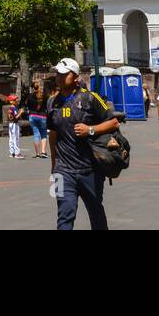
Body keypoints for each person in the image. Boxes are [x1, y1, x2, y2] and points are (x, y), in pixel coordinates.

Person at [47, 57, 117, 230]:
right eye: (57, 74)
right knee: (64, 216)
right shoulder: (51, 103)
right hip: (63, 172)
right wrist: (54, 165)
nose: (59, 77)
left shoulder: (90, 98)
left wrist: (90, 130)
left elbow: (113, 122)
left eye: (64, 74)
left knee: (96, 213)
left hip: (90, 170)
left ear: (76, 76)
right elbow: (53, 135)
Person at [25, 82, 48, 159]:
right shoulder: (44, 96)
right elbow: (47, 106)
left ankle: (37, 153)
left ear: (32, 88)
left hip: (32, 115)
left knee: (36, 134)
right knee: (44, 134)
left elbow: (27, 105)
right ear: (40, 87)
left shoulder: (30, 96)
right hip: (42, 116)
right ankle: (43, 152)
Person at [6, 94, 26, 160]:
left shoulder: (10, 108)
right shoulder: (14, 108)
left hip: (11, 124)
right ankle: (17, 153)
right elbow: (16, 117)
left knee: (11, 138)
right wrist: (21, 112)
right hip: (14, 124)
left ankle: (12, 153)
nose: (16, 101)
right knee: (16, 138)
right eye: (14, 100)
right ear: (11, 101)